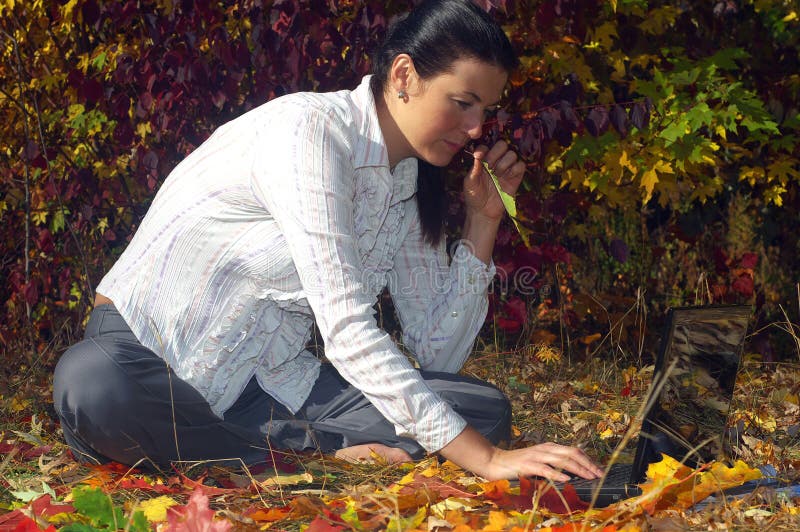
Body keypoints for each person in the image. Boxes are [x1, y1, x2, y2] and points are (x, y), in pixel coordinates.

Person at [53, 0, 603, 481]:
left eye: (487, 109)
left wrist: (483, 224)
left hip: (264, 388)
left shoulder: (406, 179)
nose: (478, 126)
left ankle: (241, 451)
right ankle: (276, 458)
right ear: (405, 76)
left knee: (481, 409)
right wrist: (483, 460)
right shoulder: (309, 133)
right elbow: (344, 328)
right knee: (92, 385)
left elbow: (439, 352)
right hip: (148, 358)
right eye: (463, 102)